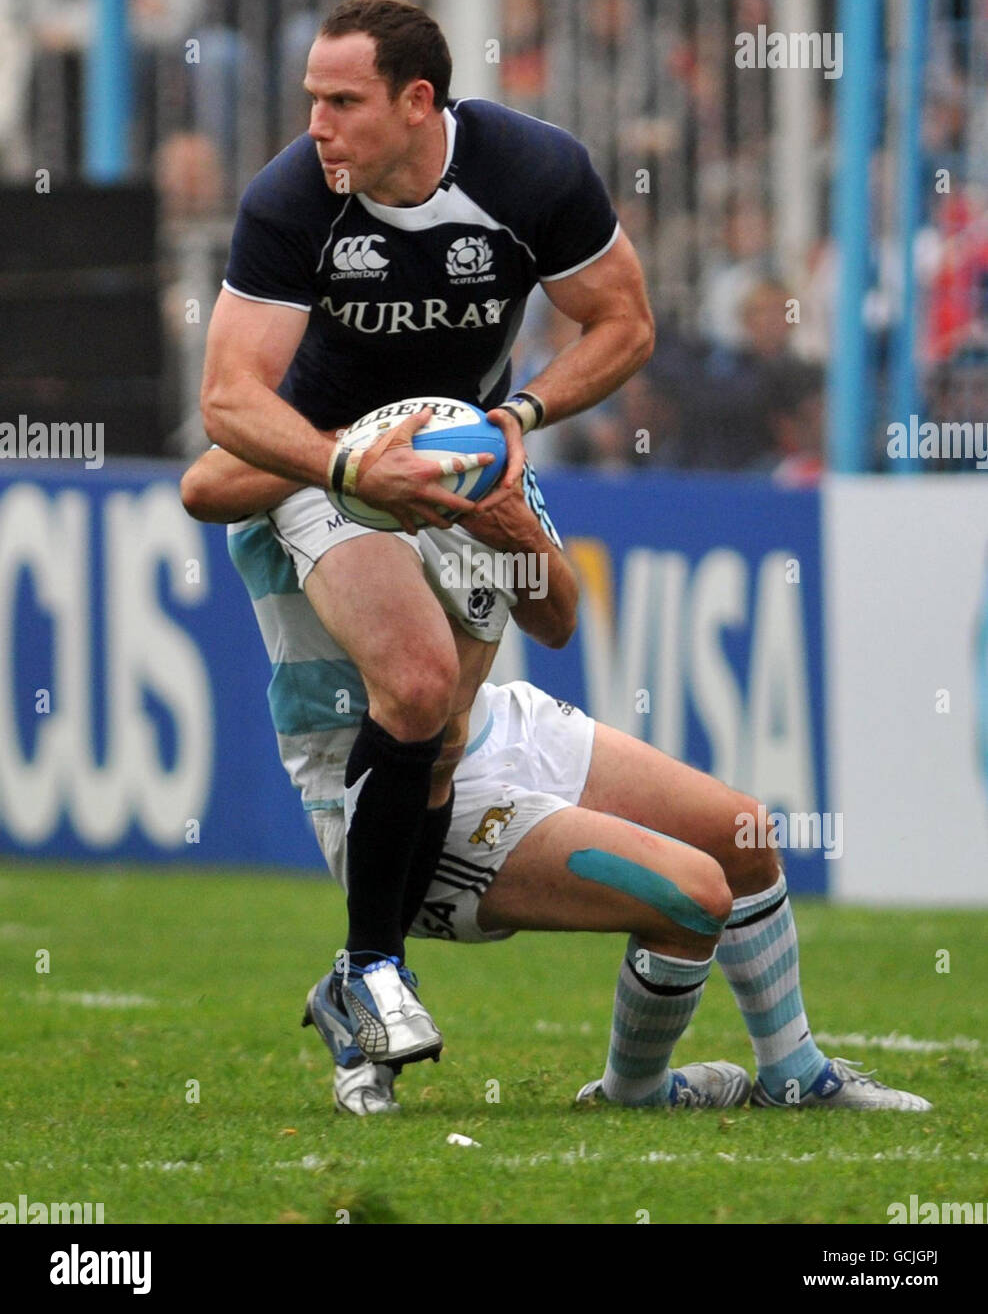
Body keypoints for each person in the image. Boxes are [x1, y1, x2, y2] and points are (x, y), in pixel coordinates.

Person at [180, 449, 933, 1119]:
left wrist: (518, 533)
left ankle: (794, 1073)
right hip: (384, 778)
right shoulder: (301, 441)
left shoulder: (469, 435)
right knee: (693, 896)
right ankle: (634, 1092)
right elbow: (205, 484)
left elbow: (559, 617)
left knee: (742, 835)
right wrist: (353, 456)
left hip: (498, 723)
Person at [197, 0, 654, 1067]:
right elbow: (229, 397)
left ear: (416, 103)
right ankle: (380, 972)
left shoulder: (532, 172)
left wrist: (517, 419)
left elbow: (625, 322)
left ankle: (360, 971)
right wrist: (350, 462)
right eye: (311, 98)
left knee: (445, 724)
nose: (316, 124)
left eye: (341, 102)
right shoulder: (291, 197)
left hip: (460, 451)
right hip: (324, 455)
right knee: (406, 678)